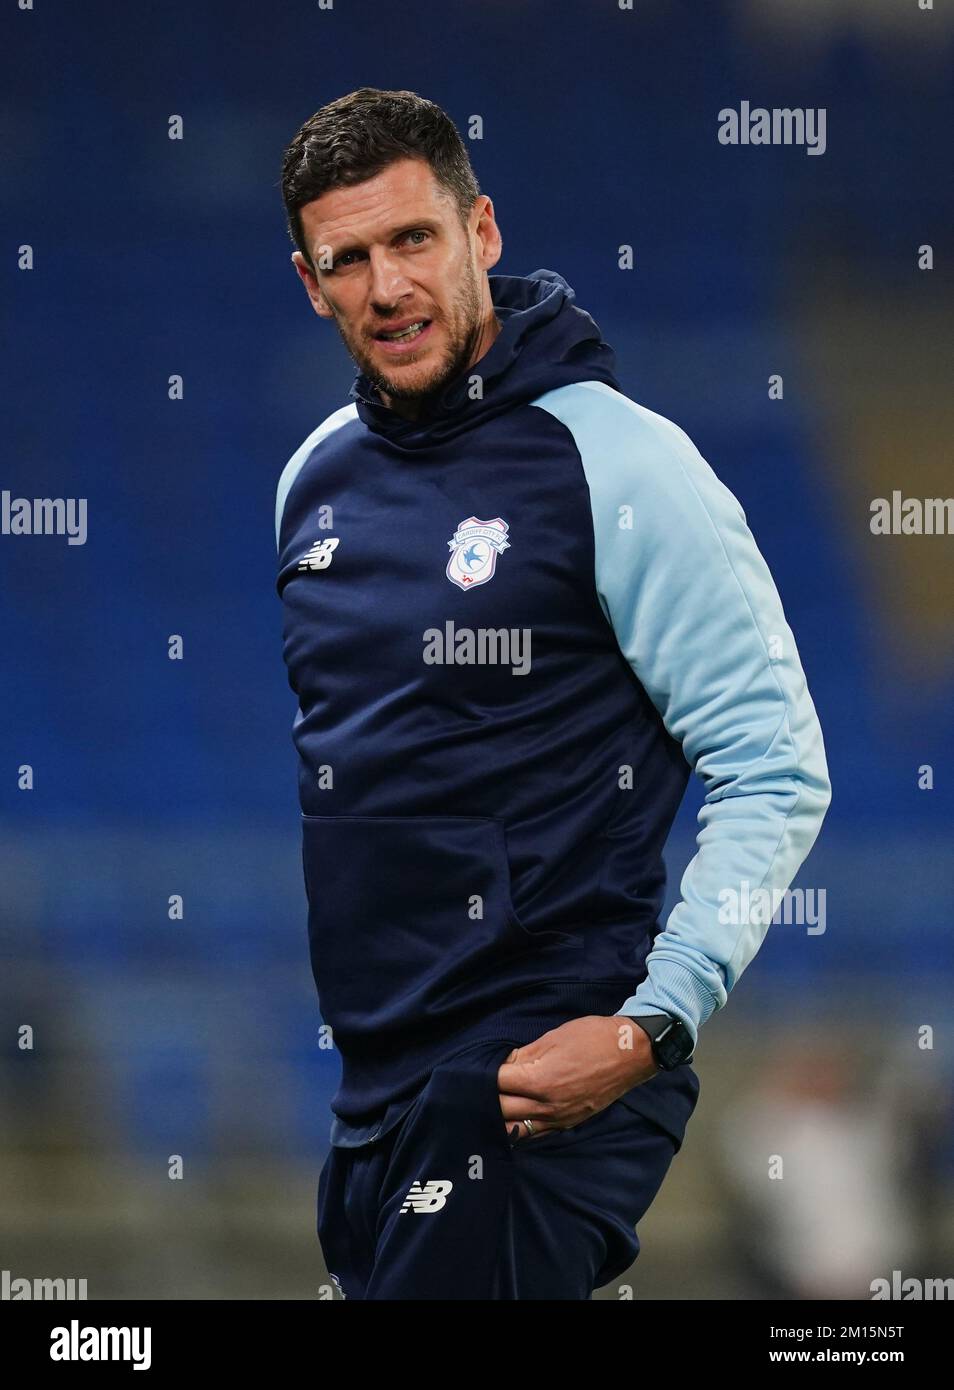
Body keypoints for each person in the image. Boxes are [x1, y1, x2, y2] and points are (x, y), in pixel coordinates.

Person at [274, 87, 831, 1300]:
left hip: (541, 1075)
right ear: (311, 284)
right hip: (375, 1098)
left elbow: (775, 760)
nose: (386, 287)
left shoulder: (622, 461)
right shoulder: (311, 482)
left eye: (413, 239)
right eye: (348, 259)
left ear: (482, 233)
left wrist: (652, 1023)